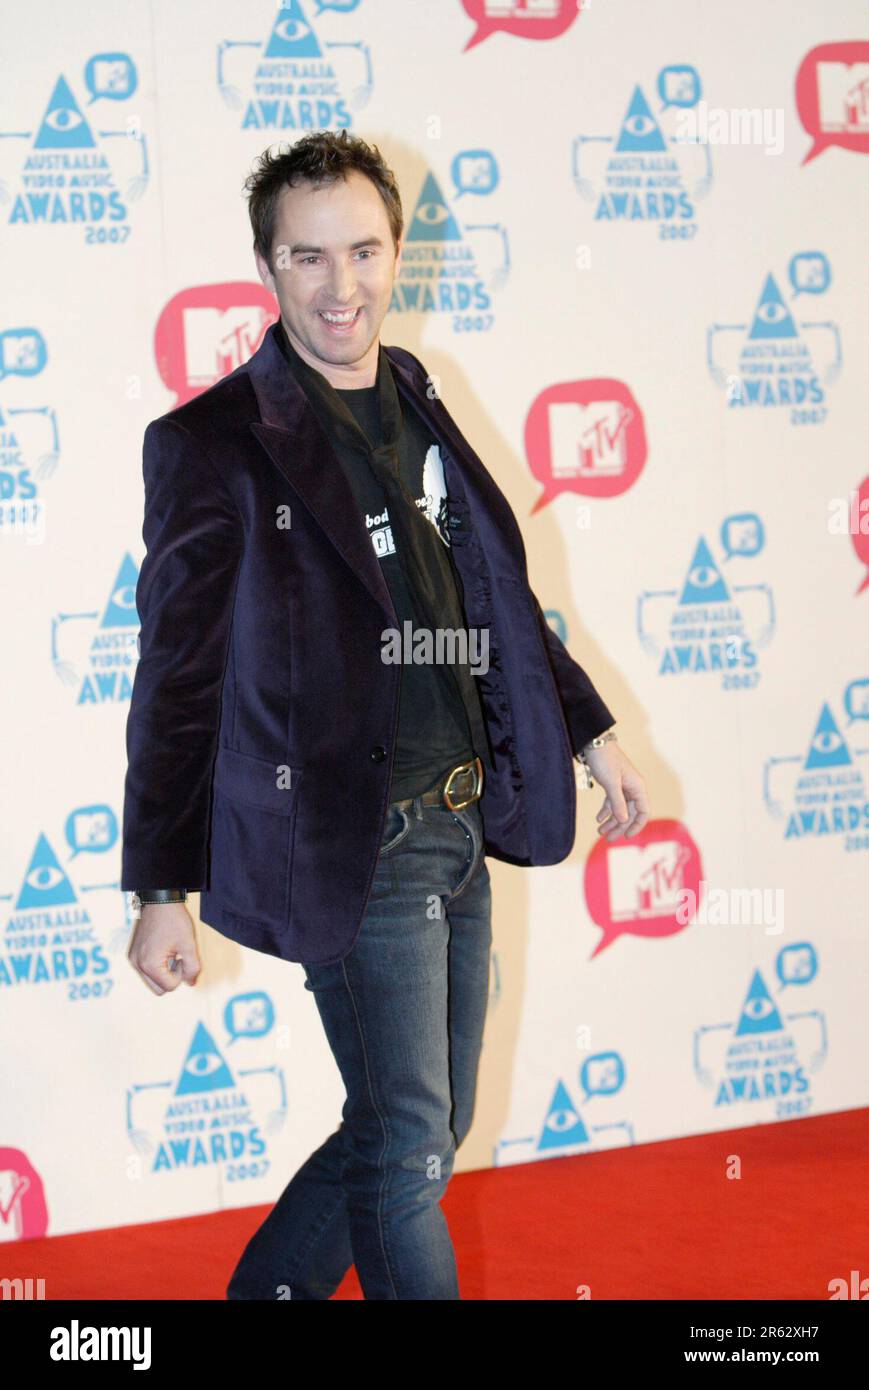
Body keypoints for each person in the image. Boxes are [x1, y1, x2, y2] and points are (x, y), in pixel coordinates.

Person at [121, 130, 649, 1300]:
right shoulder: (212, 446)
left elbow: (492, 602)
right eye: (308, 258)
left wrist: (587, 730)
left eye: (363, 251)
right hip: (359, 843)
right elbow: (176, 680)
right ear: (267, 267)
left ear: (397, 252)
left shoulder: (414, 392)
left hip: (460, 822)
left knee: (420, 1122)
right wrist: (162, 887)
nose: (340, 284)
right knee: (410, 1145)